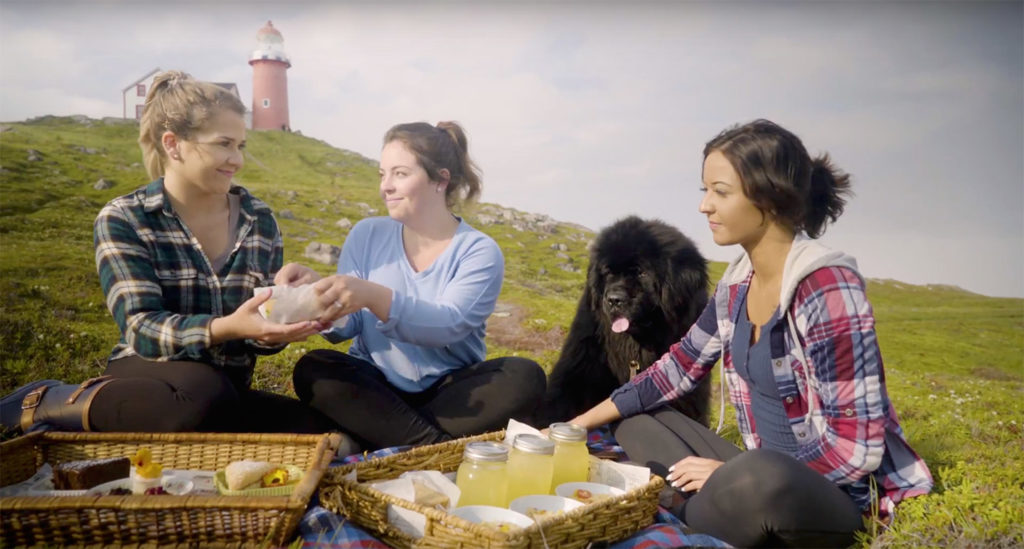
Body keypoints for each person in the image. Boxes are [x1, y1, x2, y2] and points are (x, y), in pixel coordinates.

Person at [564, 119, 933, 547]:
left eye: (720, 192)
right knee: (637, 421)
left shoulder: (827, 289)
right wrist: (572, 426)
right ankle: (697, 506)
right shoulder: (737, 286)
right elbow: (675, 370)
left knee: (760, 478)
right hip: (753, 470)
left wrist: (725, 474)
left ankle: (674, 508)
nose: (704, 206)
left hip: (828, 492)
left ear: (770, 197)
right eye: (705, 191)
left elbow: (855, 450)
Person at [1, 70, 333, 435]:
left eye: (241, 146)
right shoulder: (125, 218)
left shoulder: (260, 219)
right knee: (204, 397)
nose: (236, 159)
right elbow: (141, 327)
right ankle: (45, 401)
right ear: (173, 144)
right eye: (223, 144)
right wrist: (225, 327)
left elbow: (255, 333)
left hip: (225, 388)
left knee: (316, 432)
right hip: (149, 371)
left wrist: (282, 318)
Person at [283, 121, 546, 450]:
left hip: (450, 394)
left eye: (400, 174)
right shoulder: (367, 234)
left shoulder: (478, 251)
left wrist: (373, 296)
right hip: (376, 385)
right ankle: (433, 451)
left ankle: (377, 438)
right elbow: (345, 327)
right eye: (382, 174)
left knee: (524, 377)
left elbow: (446, 325)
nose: (385, 187)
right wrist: (316, 294)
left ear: (440, 179)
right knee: (316, 368)